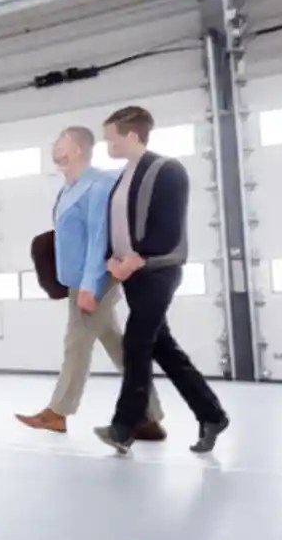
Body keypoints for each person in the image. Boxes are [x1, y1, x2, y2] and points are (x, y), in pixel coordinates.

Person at [92, 106, 230, 454]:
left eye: (111, 139)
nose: (108, 145)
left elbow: (168, 228)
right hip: (130, 273)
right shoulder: (123, 176)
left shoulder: (167, 170)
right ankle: (212, 415)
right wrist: (111, 258)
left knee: (137, 342)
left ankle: (124, 427)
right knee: (162, 347)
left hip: (157, 271)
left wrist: (136, 257)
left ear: (132, 135)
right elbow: (117, 226)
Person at [16, 126, 165, 439]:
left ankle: (57, 412)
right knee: (115, 344)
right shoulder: (67, 189)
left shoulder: (99, 185)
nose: (54, 146)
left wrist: (89, 285)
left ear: (78, 149)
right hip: (77, 279)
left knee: (76, 342)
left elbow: (100, 238)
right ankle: (148, 414)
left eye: (60, 141)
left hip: (96, 277)